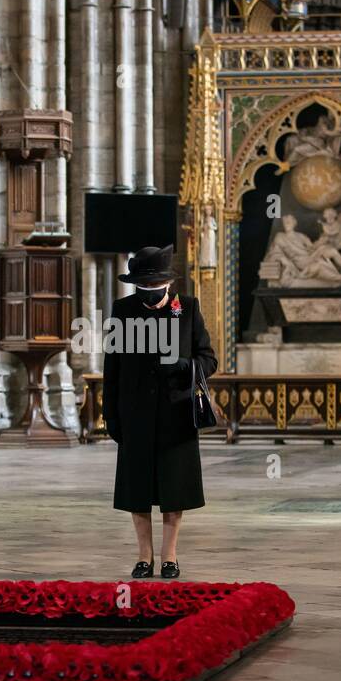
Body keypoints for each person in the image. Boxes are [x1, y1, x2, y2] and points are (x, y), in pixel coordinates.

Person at [102, 245, 218, 580]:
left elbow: (209, 358)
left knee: (173, 487)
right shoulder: (122, 310)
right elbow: (113, 367)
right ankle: (143, 556)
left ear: (167, 283)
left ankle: (169, 555)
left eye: (156, 290)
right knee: (137, 486)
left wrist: (187, 366)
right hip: (135, 412)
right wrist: (110, 413)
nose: (150, 296)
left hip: (176, 414)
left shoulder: (189, 308)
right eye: (144, 290)